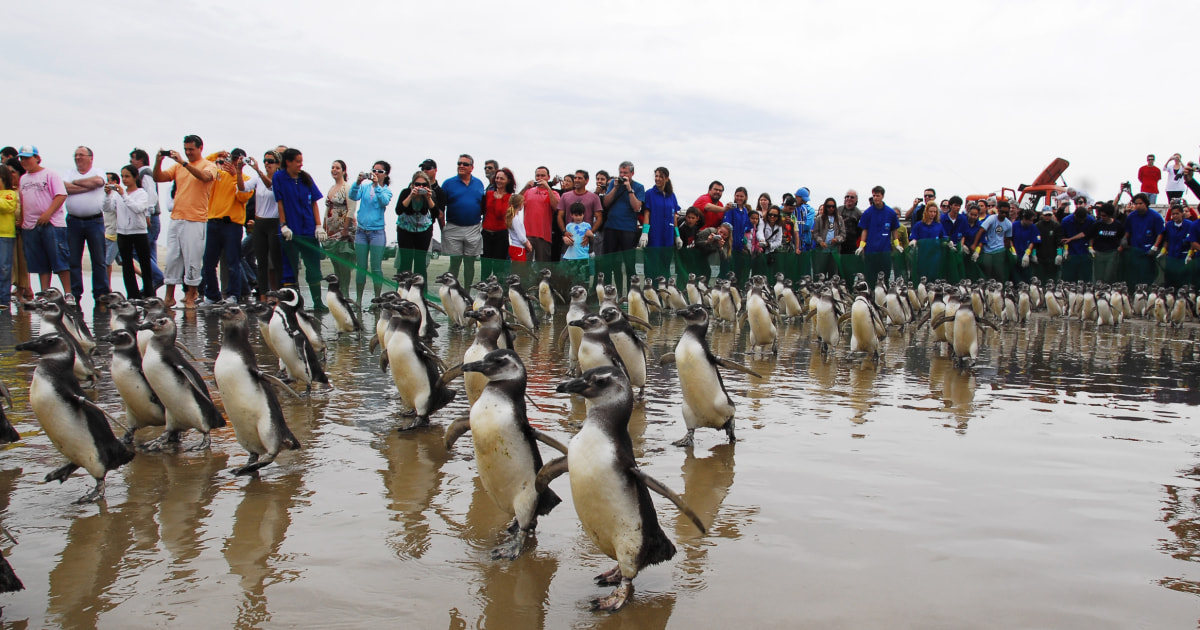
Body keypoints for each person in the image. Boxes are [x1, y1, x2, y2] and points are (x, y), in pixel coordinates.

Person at [154, 134, 216, 309]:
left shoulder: (209, 166)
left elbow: (205, 177)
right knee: (173, 257)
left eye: (191, 149)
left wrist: (183, 162)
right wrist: (158, 161)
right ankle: (169, 296)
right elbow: (158, 177)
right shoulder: (177, 167)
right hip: (177, 217)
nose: (188, 152)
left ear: (200, 148)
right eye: (186, 149)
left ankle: (190, 295)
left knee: (192, 259)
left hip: (196, 219)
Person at [272, 148, 327, 310]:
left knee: (313, 266)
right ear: (288, 162)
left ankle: (318, 302)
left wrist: (318, 226)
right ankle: (292, 303)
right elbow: (280, 201)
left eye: (301, 161)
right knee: (290, 267)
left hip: (309, 230)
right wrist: (283, 225)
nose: (300, 164)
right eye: (297, 161)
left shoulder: (305, 178)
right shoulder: (279, 177)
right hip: (291, 231)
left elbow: (314, 202)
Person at [200, 149, 253, 306]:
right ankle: (212, 295)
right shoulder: (218, 174)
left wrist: (235, 174)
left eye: (239, 160)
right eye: (233, 158)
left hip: (232, 225)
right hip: (213, 222)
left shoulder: (246, 179)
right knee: (208, 262)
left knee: (233, 262)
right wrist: (217, 155)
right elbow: (204, 164)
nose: (235, 162)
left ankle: (233, 295)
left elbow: (242, 196)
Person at [17, 146, 72, 294]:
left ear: (37, 158)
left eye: (27, 157)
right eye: (22, 158)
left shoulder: (50, 174)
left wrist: (48, 213)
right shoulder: (23, 179)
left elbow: (61, 195)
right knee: (40, 263)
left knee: (59, 260)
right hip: (30, 226)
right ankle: (44, 293)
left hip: (52, 224)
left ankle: (68, 293)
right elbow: (23, 202)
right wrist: (22, 221)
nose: (24, 161)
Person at [62, 146, 109, 303]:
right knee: (73, 259)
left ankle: (100, 292)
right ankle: (74, 293)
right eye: (76, 155)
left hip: (94, 221)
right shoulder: (69, 172)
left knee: (98, 259)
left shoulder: (98, 171)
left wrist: (76, 183)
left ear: (90, 157)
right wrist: (86, 186)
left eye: (81, 155)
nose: (78, 158)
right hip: (73, 220)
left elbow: (98, 182)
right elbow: (64, 187)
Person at [103, 164, 154, 298]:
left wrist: (123, 195)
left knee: (145, 264)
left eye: (127, 176)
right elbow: (107, 208)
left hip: (139, 232)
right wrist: (107, 195)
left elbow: (137, 208)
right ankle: (133, 295)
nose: (124, 179)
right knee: (127, 266)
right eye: (123, 176)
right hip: (122, 233)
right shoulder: (117, 195)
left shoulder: (141, 193)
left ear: (135, 177)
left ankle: (150, 294)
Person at [351, 161, 393, 304]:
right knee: (361, 267)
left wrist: (377, 187)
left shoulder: (386, 190)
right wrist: (357, 182)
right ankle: (358, 299)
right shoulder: (364, 187)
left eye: (379, 171)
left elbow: (384, 201)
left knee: (376, 268)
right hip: (361, 231)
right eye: (374, 170)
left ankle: (377, 299)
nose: (376, 173)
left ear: (386, 174)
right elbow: (352, 196)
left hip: (377, 233)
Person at [600, 161, 644, 294]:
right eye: (621, 173)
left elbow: (637, 207)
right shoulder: (613, 184)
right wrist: (614, 187)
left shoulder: (639, 187)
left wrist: (629, 188)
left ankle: (633, 293)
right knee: (608, 262)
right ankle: (609, 293)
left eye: (625, 173)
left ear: (632, 173)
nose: (622, 175)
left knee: (629, 264)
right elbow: (606, 203)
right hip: (611, 227)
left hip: (628, 229)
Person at [441, 154, 486, 286]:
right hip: (454, 226)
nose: (461, 166)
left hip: (473, 227)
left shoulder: (478, 183)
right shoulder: (448, 183)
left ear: (471, 168)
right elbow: (441, 207)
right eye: (459, 163)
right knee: (454, 263)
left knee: (469, 263)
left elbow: (482, 205)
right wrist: (443, 226)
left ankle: (467, 292)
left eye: (465, 164)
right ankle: (452, 290)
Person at [246, 149, 282, 298]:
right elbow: (242, 188)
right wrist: (238, 169)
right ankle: (263, 295)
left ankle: (278, 295)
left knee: (275, 262)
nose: (267, 164)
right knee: (262, 263)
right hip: (260, 223)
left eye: (271, 161)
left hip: (274, 223)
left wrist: (258, 170)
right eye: (265, 161)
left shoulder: (280, 179)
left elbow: (272, 187)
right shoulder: (257, 179)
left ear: (278, 163)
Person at [395, 167, 438, 287]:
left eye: (424, 185)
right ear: (412, 184)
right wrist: (410, 196)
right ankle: (403, 290)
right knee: (405, 262)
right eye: (417, 184)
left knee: (420, 263)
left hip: (423, 230)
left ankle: (420, 292)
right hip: (405, 229)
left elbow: (435, 213)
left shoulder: (430, 194)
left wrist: (428, 198)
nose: (420, 187)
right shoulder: (405, 192)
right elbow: (399, 210)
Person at [129, 148, 164, 289]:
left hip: (149, 218)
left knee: (138, 250)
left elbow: (151, 194)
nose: (131, 161)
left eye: (133, 158)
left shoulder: (145, 173)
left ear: (141, 159)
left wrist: (148, 213)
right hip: (151, 217)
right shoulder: (144, 173)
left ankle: (157, 277)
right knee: (149, 252)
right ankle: (150, 283)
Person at [855, 185, 900, 289]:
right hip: (871, 251)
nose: (875, 198)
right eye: (874, 195)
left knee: (885, 277)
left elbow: (894, 229)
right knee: (870, 278)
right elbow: (864, 230)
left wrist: (897, 244)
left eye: (878, 195)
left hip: (885, 251)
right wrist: (861, 246)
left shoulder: (891, 213)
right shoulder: (867, 213)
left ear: (882, 196)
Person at [323, 159, 357, 292]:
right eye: (332, 167)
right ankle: (338, 291)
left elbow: (351, 209)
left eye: (337, 168)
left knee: (344, 264)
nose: (334, 170)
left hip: (344, 230)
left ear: (343, 171)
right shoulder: (331, 188)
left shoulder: (347, 187)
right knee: (335, 264)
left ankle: (345, 292)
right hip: (331, 230)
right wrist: (323, 227)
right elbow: (328, 210)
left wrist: (345, 229)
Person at [642, 166, 680, 280]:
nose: (657, 179)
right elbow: (647, 214)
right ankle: (650, 293)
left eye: (660, 176)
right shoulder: (649, 193)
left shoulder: (672, 196)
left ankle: (664, 293)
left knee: (665, 267)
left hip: (668, 237)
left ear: (666, 178)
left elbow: (674, 216)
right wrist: (644, 233)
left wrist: (677, 235)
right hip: (654, 236)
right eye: (656, 176)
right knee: (651, 267)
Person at [1123, 192, 1163, 288]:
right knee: (1134, 273)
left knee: (1147, 274)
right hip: (1135, 250)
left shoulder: (1155, 217)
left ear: (1146, 203)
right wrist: (1124, 239)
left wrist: (1155, 246)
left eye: (1140, 203)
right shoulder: (1131, 216)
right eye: (1136, 204)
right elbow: (1128, 231)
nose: (1138, 206)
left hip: (1148, 252)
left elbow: (1160, 233)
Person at [519, 166, 559, 263]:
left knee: (543, 268)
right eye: (537, 175)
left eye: (543, 175)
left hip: (544, 236)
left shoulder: (553, 192)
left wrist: (548, 188)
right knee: (524, 267)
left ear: (548, 177)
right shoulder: (528, 191)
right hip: (527, 235)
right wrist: (525, 187)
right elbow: (514, 203)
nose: (540, 178)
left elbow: (556, 207)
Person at [481, 166, 514, 280]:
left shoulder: (510, 197)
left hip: (501, 234)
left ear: (508, 181)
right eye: (497, 178)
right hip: (486, 233)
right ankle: (483, 291)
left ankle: (497, 291)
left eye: (502, 179)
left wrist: (499, 198)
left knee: (498, 267)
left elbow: (501, 214)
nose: (498, 181)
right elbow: (483, 210)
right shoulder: (489, 194)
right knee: (485, 266)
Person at [973, 199, 1014, 282]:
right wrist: (975, 244)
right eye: (1002, 212)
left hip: (1000, 249)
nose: (1004, 214)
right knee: (986, 270)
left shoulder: (1009, 224)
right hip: (987, 249)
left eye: (1006, 213)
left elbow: (1008, 238)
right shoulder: (992, 219)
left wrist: (1009, 250)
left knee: (999, 272)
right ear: (998, 210)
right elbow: (981, 230)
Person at [1154, 204, 1193, 288]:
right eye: (1173, 214)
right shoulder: (1169, 225)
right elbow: (1166, 240)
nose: (1175, 216)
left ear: (1182, 213)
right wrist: (1163, 251)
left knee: (1183, 281)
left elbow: (1192, 242)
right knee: (1170, 280)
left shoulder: (1190, 225)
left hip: (1183, 257)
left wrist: (1189, 255)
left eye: (1177, 213)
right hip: (1171, 256)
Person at [1059, 201, 1095, 283]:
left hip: (1085, 252)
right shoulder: (1066, 221)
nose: (1082, 221)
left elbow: (1091, 235)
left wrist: (1091, 247)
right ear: (1075, 216)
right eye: (1080, 219)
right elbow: (1063, 238)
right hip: (1071, 253)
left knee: (1086, 280)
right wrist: (1065, 250)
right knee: (1069, 280)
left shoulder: (1090, 220)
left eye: (1084, 219)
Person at [1088, 203, 1124, 284]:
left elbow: (1122, 237)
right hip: (1099, 253)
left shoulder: (1117, 225)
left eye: (1104, 216)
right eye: (1101, 215)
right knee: (1098, 276)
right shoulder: (1097, 224)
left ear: (1110, 215)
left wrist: (1121, 246)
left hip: (1112, 253)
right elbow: (1091, 237)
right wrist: (1091, 248)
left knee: (1109, 275)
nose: (1102, 217)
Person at [562, 202, 593, 283]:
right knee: (571, 280)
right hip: (571, 257)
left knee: (585, 280)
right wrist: (565, 239)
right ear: (571, 215)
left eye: (580, 215)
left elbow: (592, 239)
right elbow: (566, 239)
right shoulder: (568, 226)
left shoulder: (588, 225)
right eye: (576, 215)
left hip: (584, 256)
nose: (578, 217)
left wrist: (591, 235)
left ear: (583, 214)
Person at [812, 198, 843, 278]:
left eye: (833, 206)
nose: (831, 208)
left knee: (833, 275)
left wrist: (837, 239)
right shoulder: (819, 218)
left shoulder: (839, 219)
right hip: (822, 251)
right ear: (825, 207)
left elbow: (843, 234)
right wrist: (820, 241)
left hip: (834, 251)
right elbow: (815, 233)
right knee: (820, 274)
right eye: (829, 206)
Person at [1009, 209, 1042, 283]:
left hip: (1026, 257)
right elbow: (1010, 239)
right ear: (1024, 219)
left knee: (1027, 279)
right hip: (1015, 256)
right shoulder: (1015, 225)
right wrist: (1013, 252)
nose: (1031, 222)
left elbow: (1033, 241)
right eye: (1030, 220)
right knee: (1016, 279)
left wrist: (1027, 254)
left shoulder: (1033, 227)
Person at [0, 164, 16, 311]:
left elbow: (8, 207)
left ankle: (4, 298)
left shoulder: (10, 193)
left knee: (4, 268)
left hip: (5, 235)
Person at [1034, 206, 1063, 282]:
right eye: (1046, 215)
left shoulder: (1056, 226)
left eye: (1049, 215)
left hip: (1052, 258)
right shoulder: (1037, 226)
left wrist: (1059, 254)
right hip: (1040, 258)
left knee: (1052, 279)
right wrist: (1033, 254)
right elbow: (1034, 242)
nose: (1047, 217)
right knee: (1041, 280)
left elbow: (1059, 241)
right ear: (1042, 215)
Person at [506, 193, 532, 263]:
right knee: (519, 271)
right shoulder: (516, 219)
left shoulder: (512, 217)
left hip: (515, 247)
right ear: (520, 204)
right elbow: (521, 237)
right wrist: (528, 244)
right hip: (518, 248)